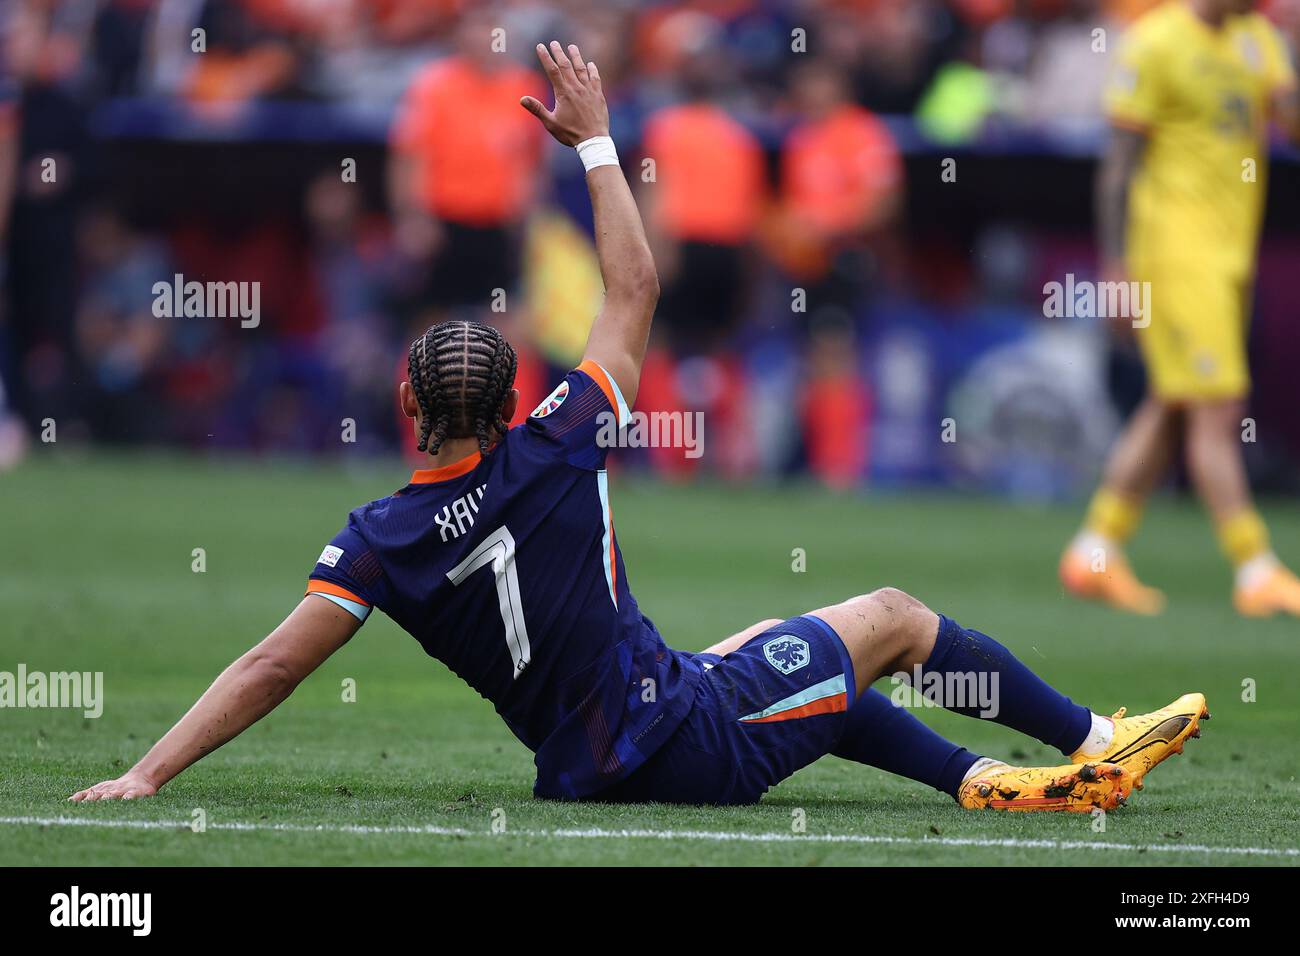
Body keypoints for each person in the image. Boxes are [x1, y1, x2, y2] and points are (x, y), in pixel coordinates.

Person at [72, 41, 1207, 811]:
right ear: (511, 402)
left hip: (587, 759)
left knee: (790, 655)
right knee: (896, 617)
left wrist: (148, 773)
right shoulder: (560, 434)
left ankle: (983, 782)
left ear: (406, 407)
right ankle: (1089, 746)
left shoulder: (377, 536)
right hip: (673, 742)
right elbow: (634, 293)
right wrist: (598, 145)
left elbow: (273, 663)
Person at [1061, 0, 1300, 617]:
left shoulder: (1260, 40)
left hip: (1231, 255)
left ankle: (1095, 549)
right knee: (1220, 406)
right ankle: (1255, 566)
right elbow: (1118, 166)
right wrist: (1114, 266)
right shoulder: (1156, 42)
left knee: (1175, 402)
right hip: (1173, 252)